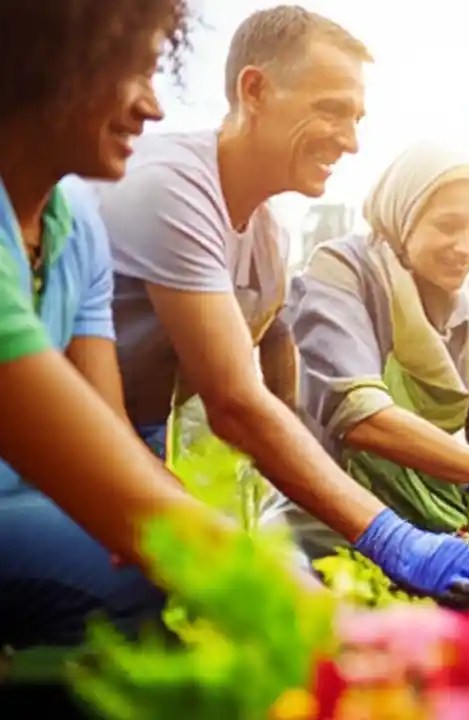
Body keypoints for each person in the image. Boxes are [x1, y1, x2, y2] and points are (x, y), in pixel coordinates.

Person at [93, 5, 469, 606]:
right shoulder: (173, 185)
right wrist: (393, 540)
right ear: (255, 89)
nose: (350, 141)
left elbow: (283, 413)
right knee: (183, 603)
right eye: (331, 110)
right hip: (54, 441)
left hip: (127, 444)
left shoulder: (269, 238)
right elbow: (237, 407)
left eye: (356, 118)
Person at [0, 0, 227, 651]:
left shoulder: (77, 226)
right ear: (47, 59)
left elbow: (111, 427)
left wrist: (166, 508)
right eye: (133, 71)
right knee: (134, 576)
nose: (152, 108)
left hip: (22, 508)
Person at [285, 142, 469, 555]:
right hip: (327, 521)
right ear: (403, 216)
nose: (466, 246)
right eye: (447, 225)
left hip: (429, 532)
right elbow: (357, 413)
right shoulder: (343, 274)